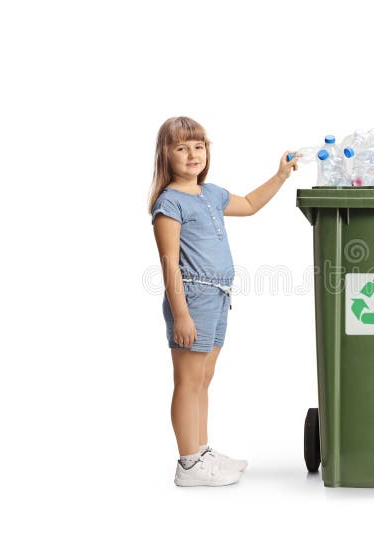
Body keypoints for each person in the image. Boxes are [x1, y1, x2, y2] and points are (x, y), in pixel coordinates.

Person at [147, 116, 299, 487]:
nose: (192, 154)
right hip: (193, 297)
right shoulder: (169, 203)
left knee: (203, 378)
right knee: (188, 381)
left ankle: (201, 451)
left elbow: (249, 204)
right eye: (181, 148)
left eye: (198, 146)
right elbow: (169, 264)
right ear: (166, 155)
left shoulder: (211, 194)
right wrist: (181, 314)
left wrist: (280, 176)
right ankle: (189, 464)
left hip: (218, 296)